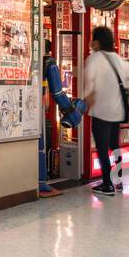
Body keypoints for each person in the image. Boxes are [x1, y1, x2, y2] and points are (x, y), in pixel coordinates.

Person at [80, 25, 129, 196]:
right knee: (115, 146)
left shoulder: (94, 59)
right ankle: (119, 179)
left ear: (97, 42)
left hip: (101, 111)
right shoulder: (120, 60)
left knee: (102, 147)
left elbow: (88, 85)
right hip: (118, 112)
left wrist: (86, 100)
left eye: (93, 39)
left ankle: (107, 184)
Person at [40, 40, 84, 198]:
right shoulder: (49, 63)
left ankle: (39, 182)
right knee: (40, 146)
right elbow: (57, 92)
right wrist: (71, 109)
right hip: (37, 108)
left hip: (27, 107)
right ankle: (41, 183)